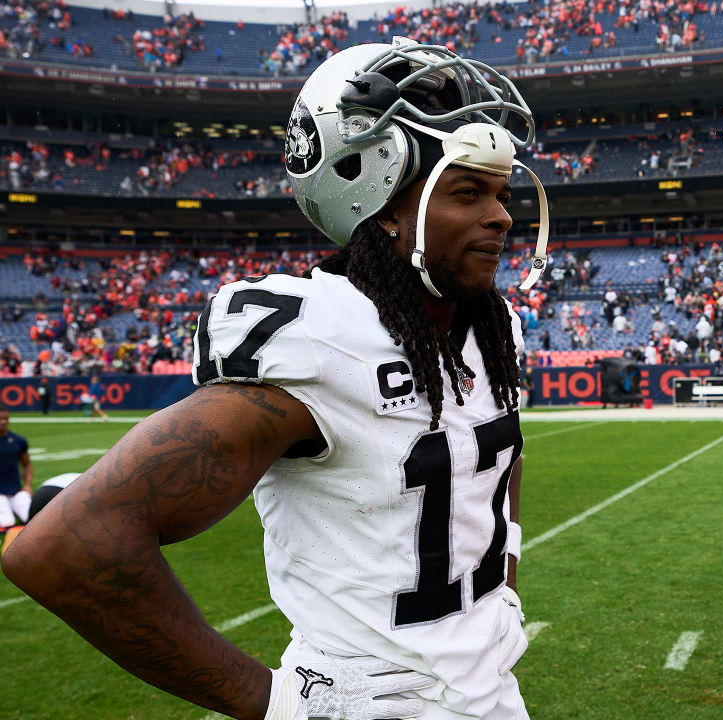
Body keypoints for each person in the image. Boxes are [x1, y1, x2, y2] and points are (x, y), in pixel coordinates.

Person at [4, 37, 550, 720]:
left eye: (500, 193)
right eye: (467, 192)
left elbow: (493, 453)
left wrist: (502, 581)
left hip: (491, 691)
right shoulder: (320, 339)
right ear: (380, 202)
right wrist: (274, 703)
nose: (501, 216)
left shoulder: (492, 327)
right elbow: (62, 550)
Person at [0, 408, 33, 529]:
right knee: (7, 523)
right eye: (0, 419)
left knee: (32, 518)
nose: (3, 422)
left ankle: (13, 509)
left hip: (16, 491)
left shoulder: (18, 440)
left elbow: (27, 465)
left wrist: (28, 485)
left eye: (6, 418)